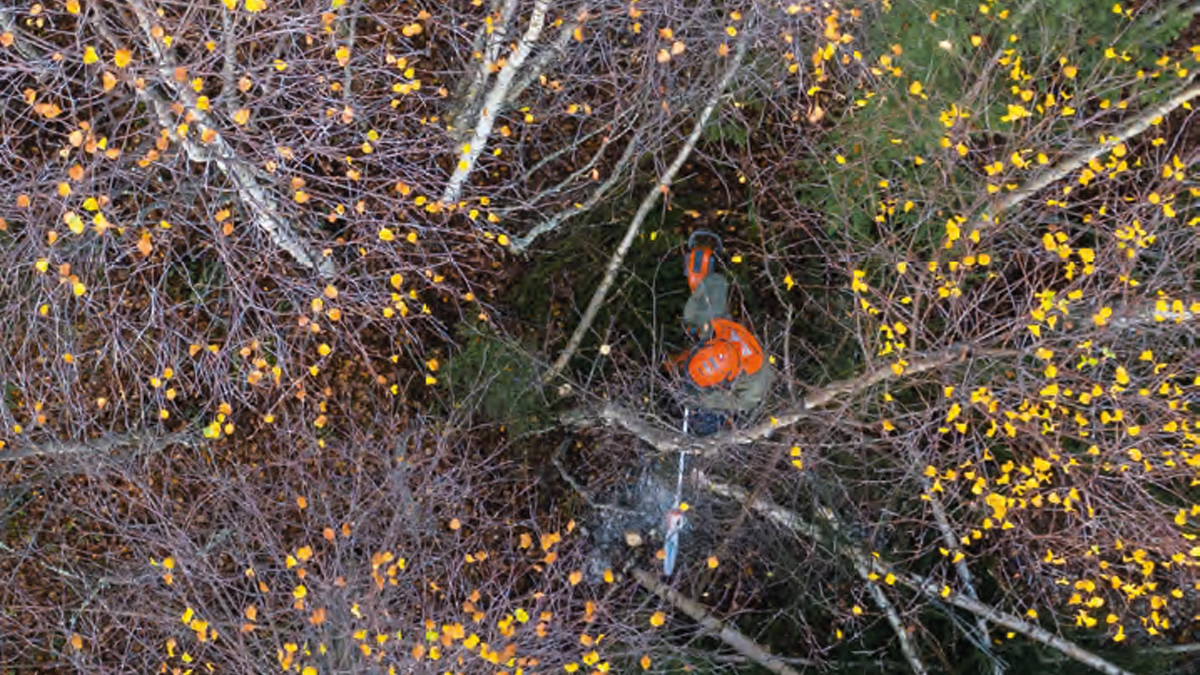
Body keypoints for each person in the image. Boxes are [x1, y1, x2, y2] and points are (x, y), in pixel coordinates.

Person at [667, 232, 773, 435]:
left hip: (746, 382)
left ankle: (703, 431)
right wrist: (700, 268)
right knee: (707, 296)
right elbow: (711, 293)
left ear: (725, 382)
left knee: (710, 414)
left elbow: (725, 401)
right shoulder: (716, 328)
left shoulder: (752, 388)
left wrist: (693, 397)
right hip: (727, 336)